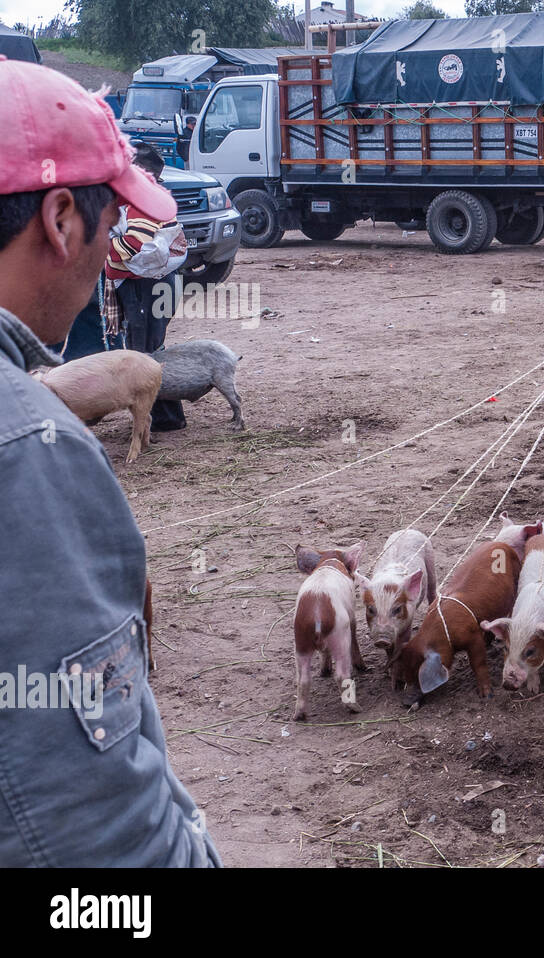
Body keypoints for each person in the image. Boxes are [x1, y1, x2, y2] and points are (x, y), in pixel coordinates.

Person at [0, 58, 221, 866]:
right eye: (110, 226)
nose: (110, 255)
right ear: (61, 221)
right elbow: (90, 829)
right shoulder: (30, 444)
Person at [107, 143, 188, 432]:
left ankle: (163, 417)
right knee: (150, 349)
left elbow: (134, 244)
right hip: (154, 285)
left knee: (144, 353)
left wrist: (103, 249)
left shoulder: (141, 204)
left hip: (144, 288)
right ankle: (166, 414)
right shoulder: (153, 199)